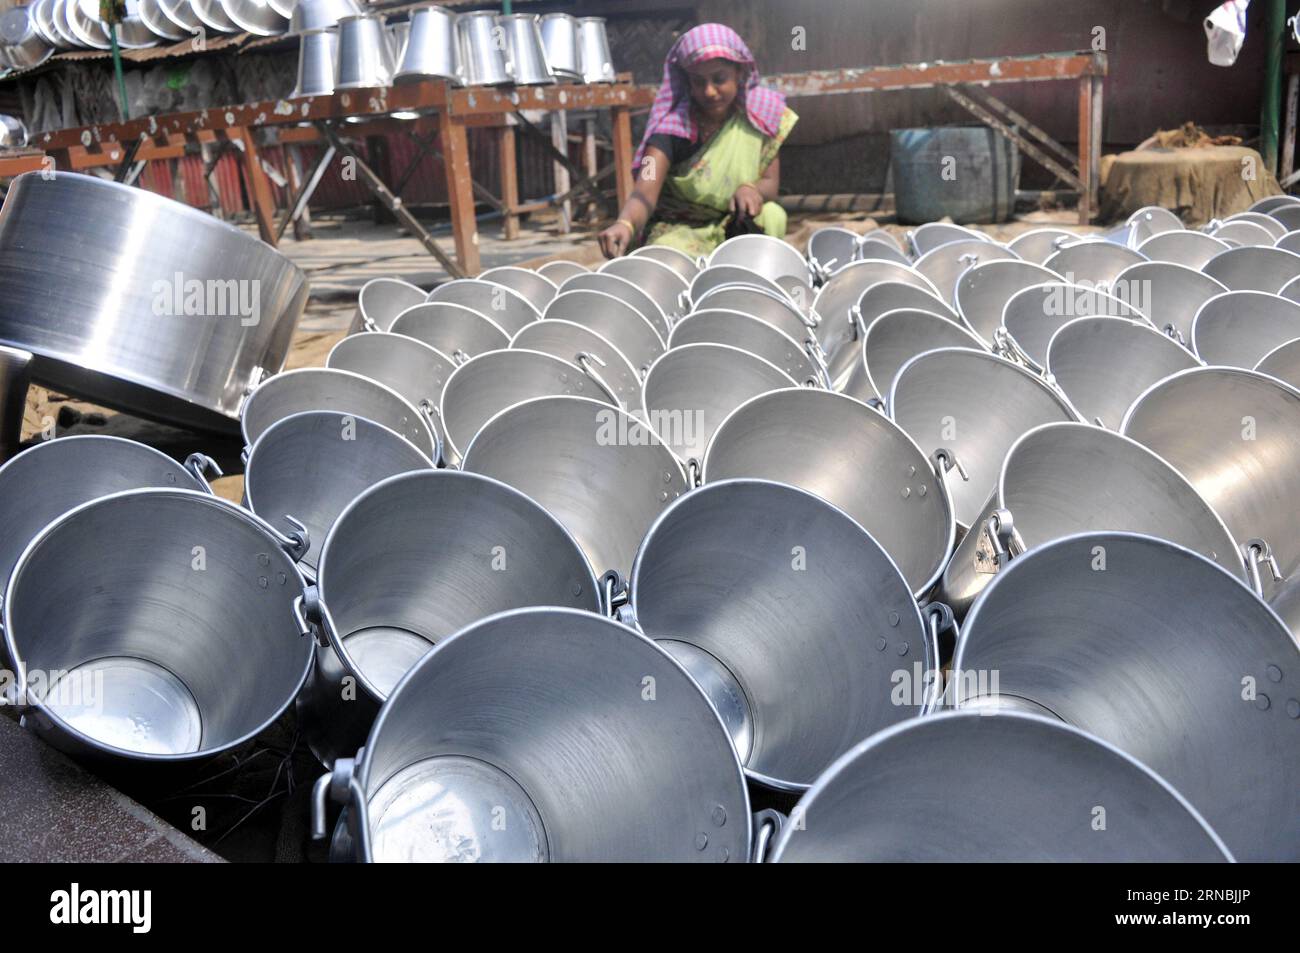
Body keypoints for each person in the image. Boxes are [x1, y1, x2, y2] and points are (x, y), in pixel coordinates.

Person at [597, 23, 797, 259]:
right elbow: (645, 187)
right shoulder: (668, 131)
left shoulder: (762, 118)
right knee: (668, 256)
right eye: (699, 82)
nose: (710, 91)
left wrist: (751, 189)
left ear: (739, 73)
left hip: (735, 222)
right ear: (687, 82)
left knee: (772, 215)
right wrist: (626, 224)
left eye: (719, 79)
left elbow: (770, 183)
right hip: (681, 229)